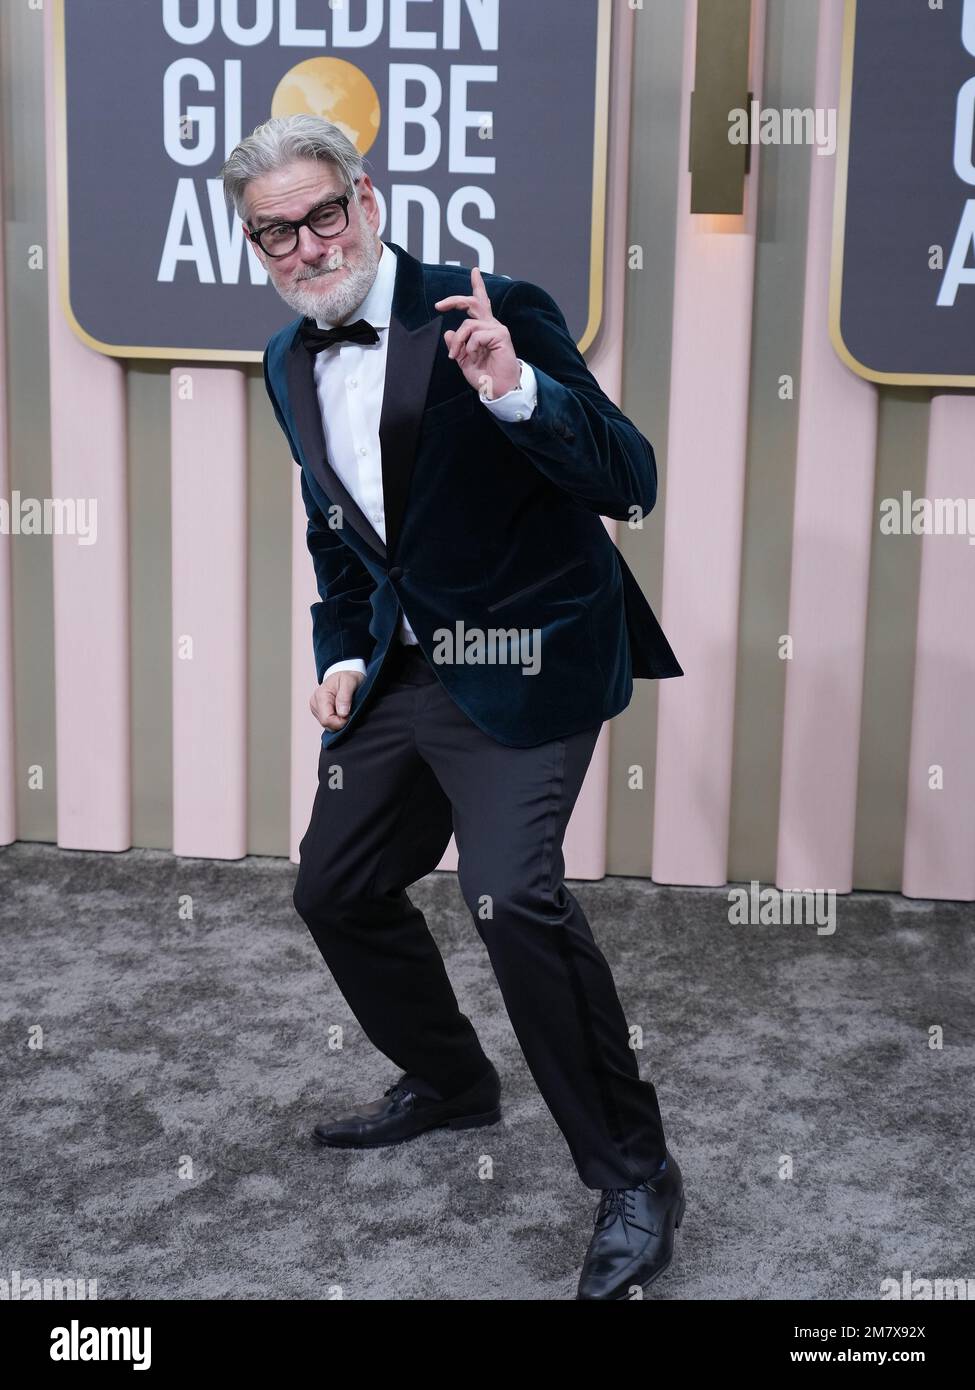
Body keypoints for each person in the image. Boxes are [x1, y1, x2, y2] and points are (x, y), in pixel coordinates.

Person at [220, 114, 686, 1300]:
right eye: (277, 231)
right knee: (333, 887)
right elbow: (343, 541)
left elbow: (628, 481)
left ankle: (634, 1177)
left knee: (511, 895)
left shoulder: (497, 306)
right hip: (403, 670)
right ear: (257, 245)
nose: (307, 244)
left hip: (530, 654)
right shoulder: (288, 361)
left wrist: (518, 390)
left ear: (365, 200)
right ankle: (451, 1080)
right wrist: (339, 649)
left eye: (322, 213)